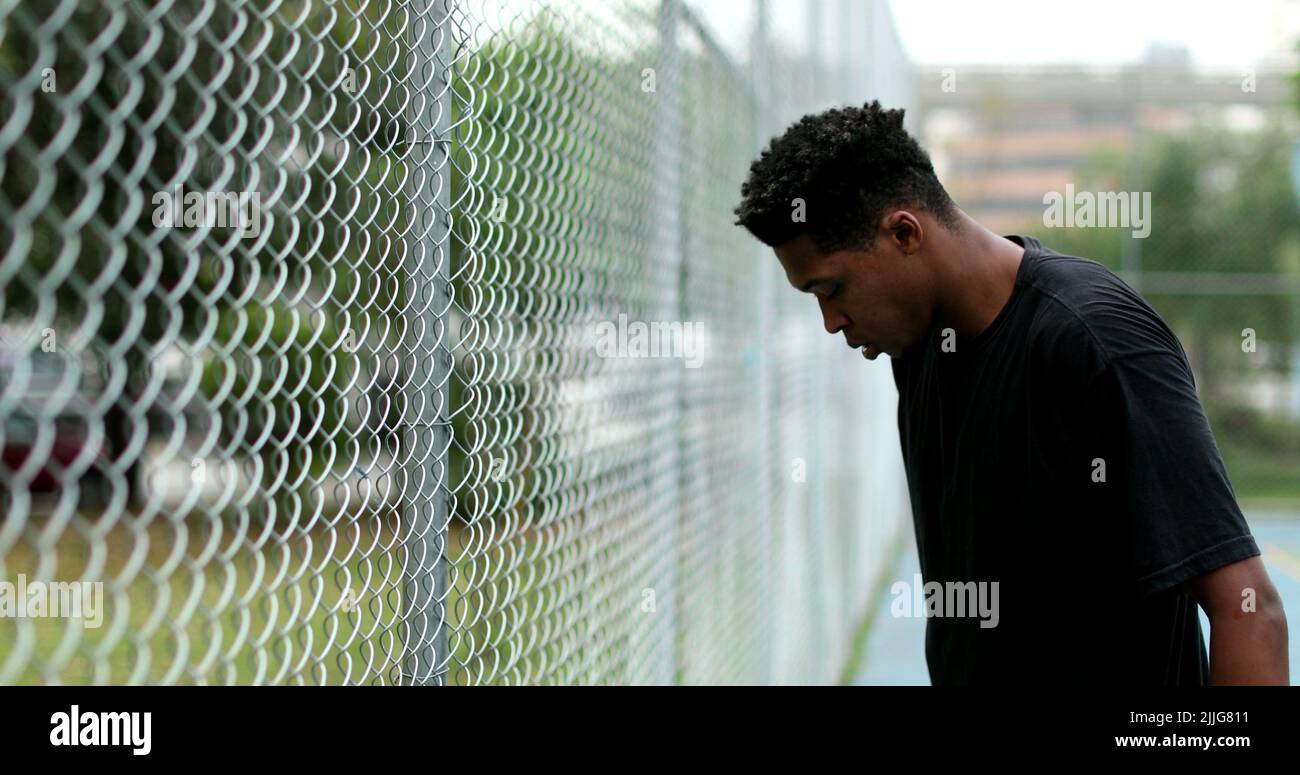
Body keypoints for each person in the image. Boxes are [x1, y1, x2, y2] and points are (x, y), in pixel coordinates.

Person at [733, 100, 1288, 685]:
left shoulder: (1093, 337)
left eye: (831, 288)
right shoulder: (920, 350)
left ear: (903, 232)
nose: (830, 321)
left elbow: (1250, 611)